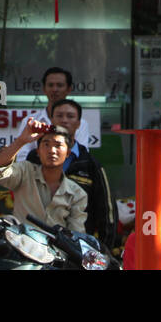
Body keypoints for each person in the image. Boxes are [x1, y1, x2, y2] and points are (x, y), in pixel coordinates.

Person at [23, 97, 114, 246]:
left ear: (78, 124)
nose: (64, 120)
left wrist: (106, 249)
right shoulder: (34, 157)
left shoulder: (90, 165)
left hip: (76, 246)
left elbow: (105, 210)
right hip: (35, 241)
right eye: (59, 116)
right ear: (51, 120)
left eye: (70, 116)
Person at [0, 117, 88, 233]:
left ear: (68, 153)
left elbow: (76, 234)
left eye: (58, 145)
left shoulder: (77, 193)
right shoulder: (25, 171)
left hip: (56, 250)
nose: (52, 150)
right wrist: (21, 141)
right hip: (20, 247)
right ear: (38, 151)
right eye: (46, 144)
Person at [16, 67, 91, 160]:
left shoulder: (81, 123)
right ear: (44, 89)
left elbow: (81, 156)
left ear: (69, 89)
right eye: (51, 85)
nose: (55, 89)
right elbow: (22, 157)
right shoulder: (30, 122)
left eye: (59, 85)